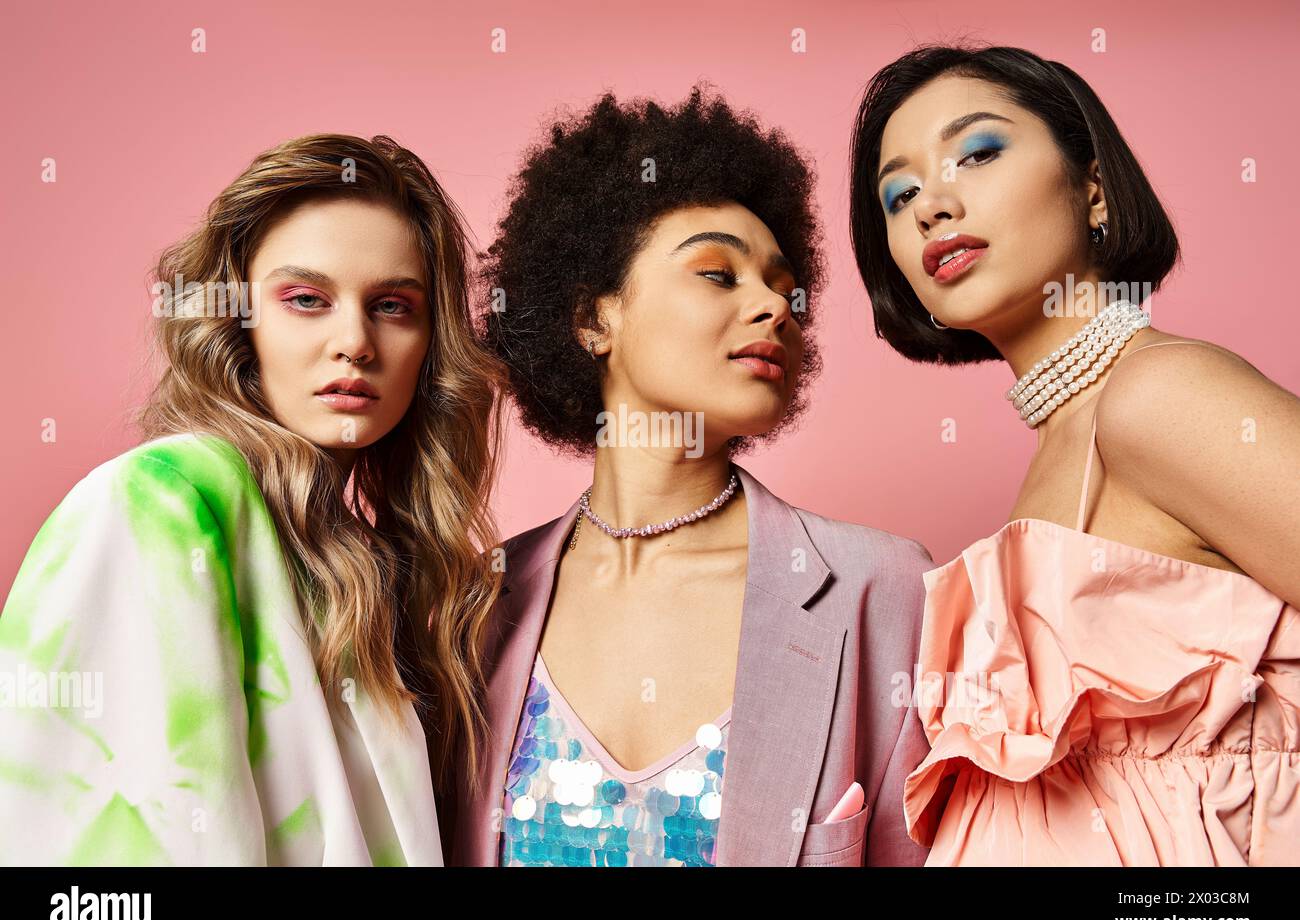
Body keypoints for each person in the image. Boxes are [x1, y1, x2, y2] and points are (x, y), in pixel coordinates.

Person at [445, 86, 934, 867]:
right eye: (718, 273)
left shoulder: (885, 588)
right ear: (592, 318)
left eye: (783, 286)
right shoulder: (474, 603)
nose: (775, 307)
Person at [849, 44, 1300, 865]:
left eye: (977, 153)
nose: (930, 207)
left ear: (1093, 185)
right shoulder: (1068, 446)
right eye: (899, 193)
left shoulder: (1157, 398)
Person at [0, 133, 504, 865]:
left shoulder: (358, 562)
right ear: (240, 321)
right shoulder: (160, 505)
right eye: (306, 300)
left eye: (393, 306)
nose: (355, 342)